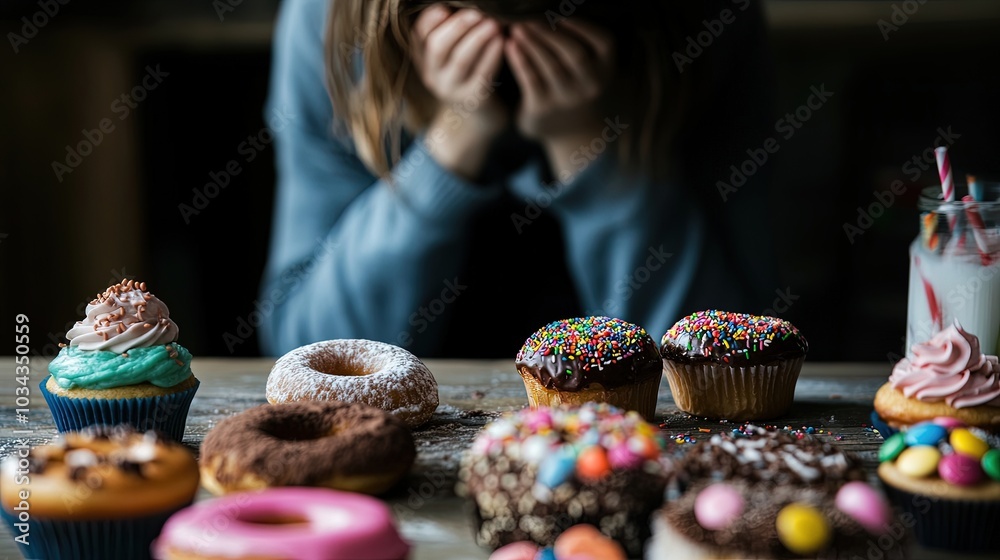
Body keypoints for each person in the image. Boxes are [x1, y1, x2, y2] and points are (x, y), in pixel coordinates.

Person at [259, 0, 778, 358]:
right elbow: (304, 350)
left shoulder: (708, 22)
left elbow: (736, 359)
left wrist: (593, 160)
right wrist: (449, 148)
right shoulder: (337, 23)